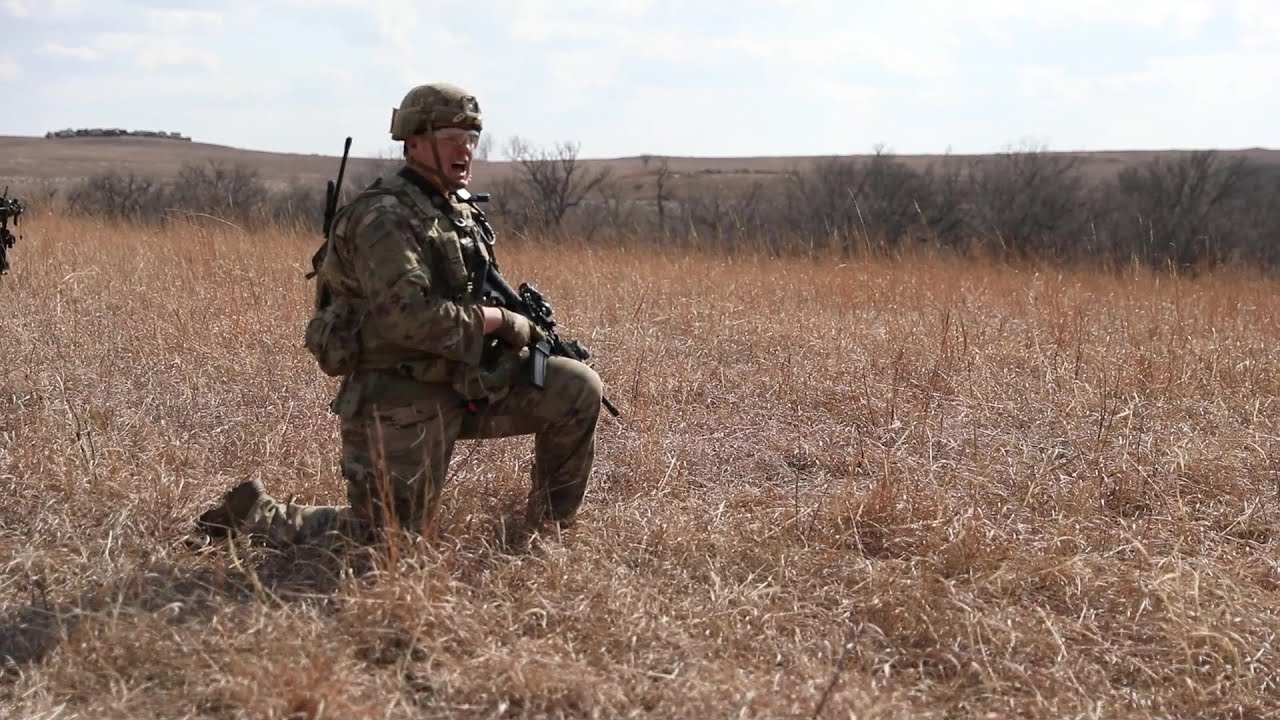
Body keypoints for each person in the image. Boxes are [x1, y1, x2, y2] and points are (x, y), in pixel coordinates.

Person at [194, 82, 604, 546]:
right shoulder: (384, 217)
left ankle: (548, 530)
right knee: (391, 542)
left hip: (461, 377)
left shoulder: (454, 211)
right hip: (397, 392)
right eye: (450, 137)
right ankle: (257, 515)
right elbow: (406, 320)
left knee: (576, 387)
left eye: (471, 138)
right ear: (413, 142)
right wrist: (501, 322)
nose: (465, 150)